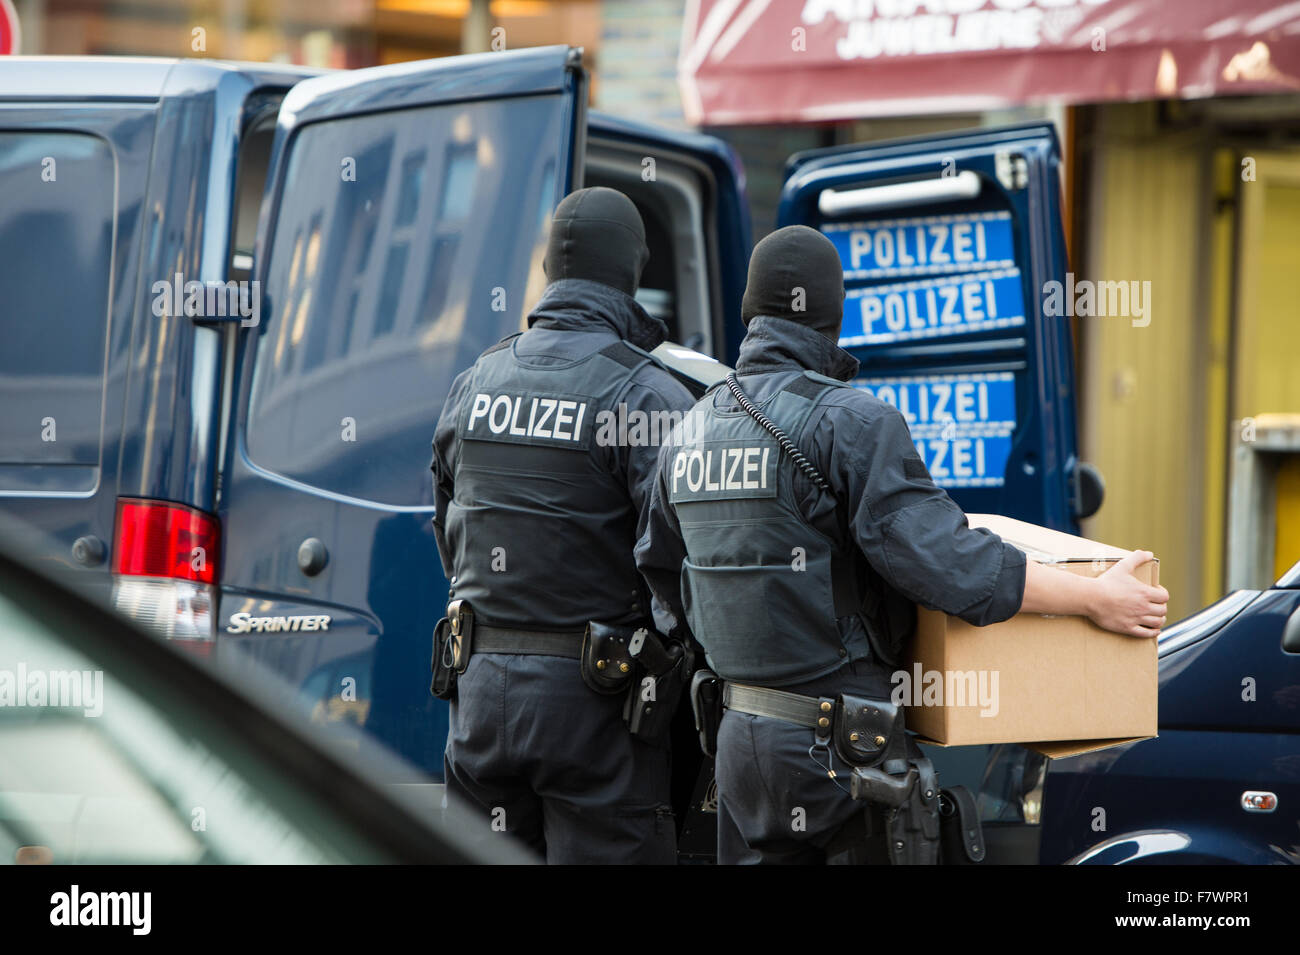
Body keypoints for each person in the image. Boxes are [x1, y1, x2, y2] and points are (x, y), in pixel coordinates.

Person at [634, 225, 1169, 865]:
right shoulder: (851, 420)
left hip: (738, 744)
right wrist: (1094, 599)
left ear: (750, 312)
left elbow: (661, 573)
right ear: (834, 313)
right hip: (839, 751)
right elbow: (950, 566)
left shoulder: (687, 431)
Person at [430, 186, 695, 864]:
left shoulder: (476, 381)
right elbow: (681, 559)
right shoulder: (646, 392)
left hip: (479, 694)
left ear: (550, 270)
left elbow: (449, 528)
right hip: (596, 709)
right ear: (632, 275)